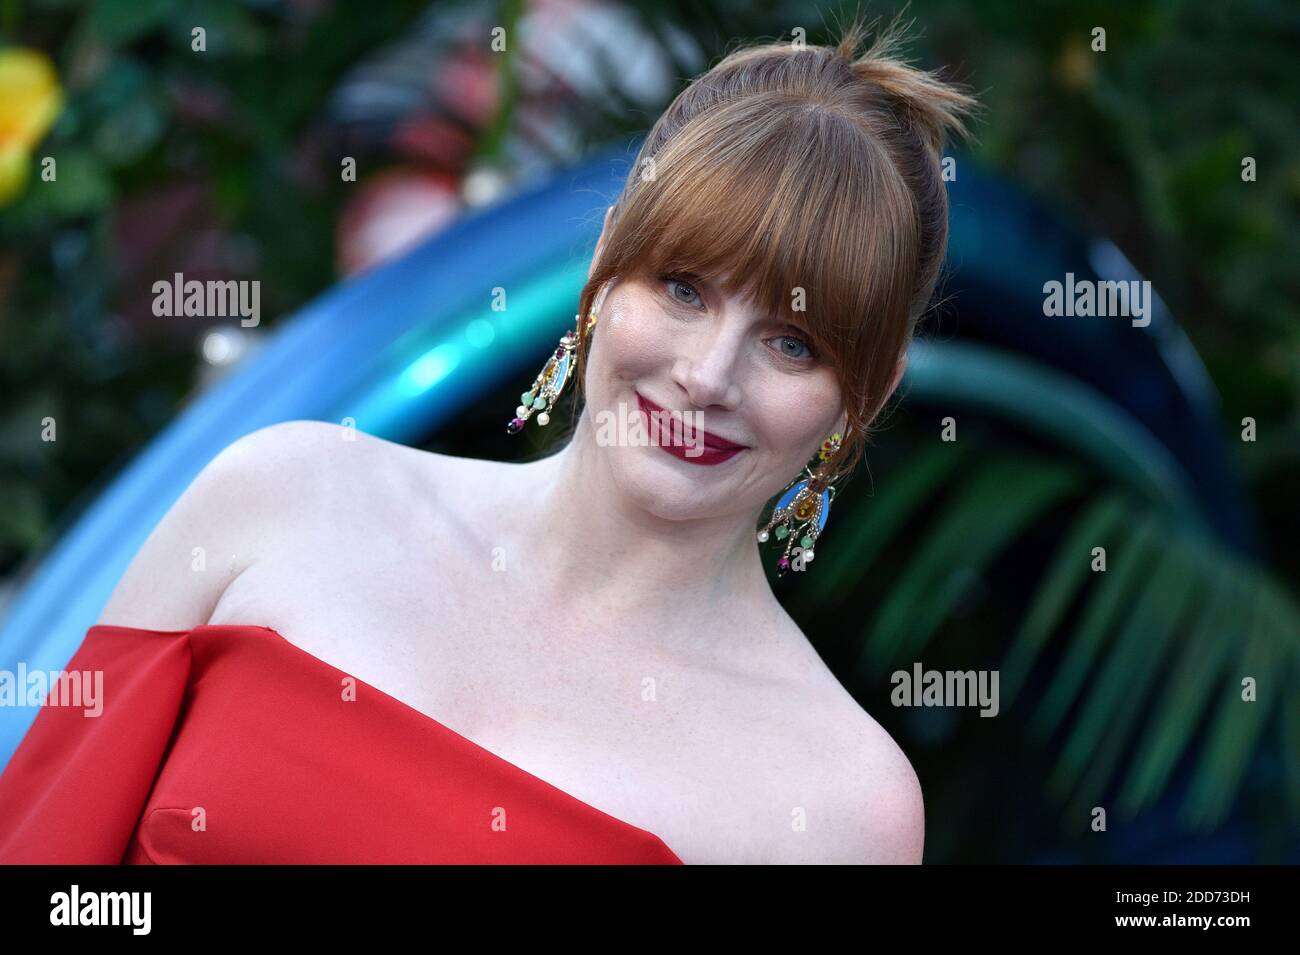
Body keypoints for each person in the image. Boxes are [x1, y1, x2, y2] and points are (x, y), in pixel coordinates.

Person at [0, 14, 975, 864]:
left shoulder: (843, 804)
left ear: (866, 394)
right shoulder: (283, 498)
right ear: (604, 263)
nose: (708, 375)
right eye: (683, 288)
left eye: (792, 343)